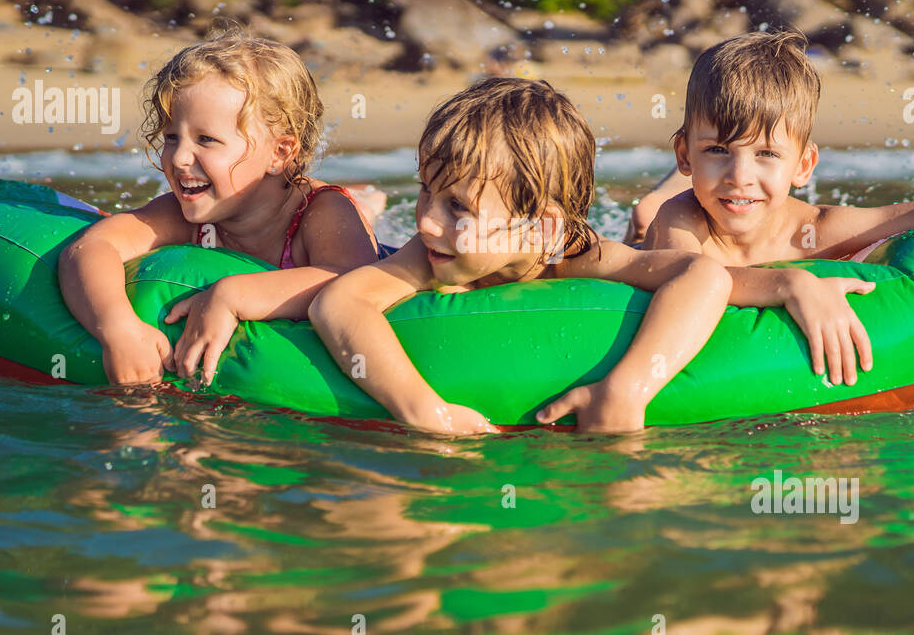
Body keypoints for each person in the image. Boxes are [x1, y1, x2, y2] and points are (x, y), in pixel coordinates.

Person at [627, 31, 914, 386]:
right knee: (649, 216)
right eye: (718, 149)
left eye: (766, 155)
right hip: (659, 233)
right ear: (685, 153)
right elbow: (695, 279)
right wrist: (788, 283)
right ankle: (665, 189)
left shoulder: (815, 231)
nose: (740, 175)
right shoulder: (680, 220)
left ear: (803, 165)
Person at [308, 77, 735, 435]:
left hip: (606, 244)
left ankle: (654, 205)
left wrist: (628, 389)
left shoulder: (577, 257)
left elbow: (703, 275)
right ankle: (366, 207)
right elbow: (339, 301)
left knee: (643, 228)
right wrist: (423, 409)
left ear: (542, 226)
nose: (426, 223)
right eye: (425, 190)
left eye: (458, 206)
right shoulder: (431, 251)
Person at [59, 29, 387, 387]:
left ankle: (367, 203)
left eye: (206, 140)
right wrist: (119, 330)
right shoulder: (181, 212)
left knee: (357, 218)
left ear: (279, 152)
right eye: (171, 137)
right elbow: (91, 247)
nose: (180, 158)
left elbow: (357, 283)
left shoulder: (321, 212)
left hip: (343, 233)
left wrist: (232, 296)